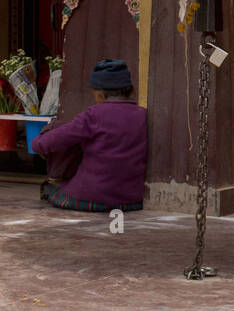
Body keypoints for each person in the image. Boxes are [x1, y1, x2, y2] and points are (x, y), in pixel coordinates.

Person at [32, 58, 147, 213]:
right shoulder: (142, 115)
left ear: (100, 92)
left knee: (52, 189)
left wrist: (37, 141)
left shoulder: (93, 115)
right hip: (130, 200)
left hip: (90, 196)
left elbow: (46, 142)